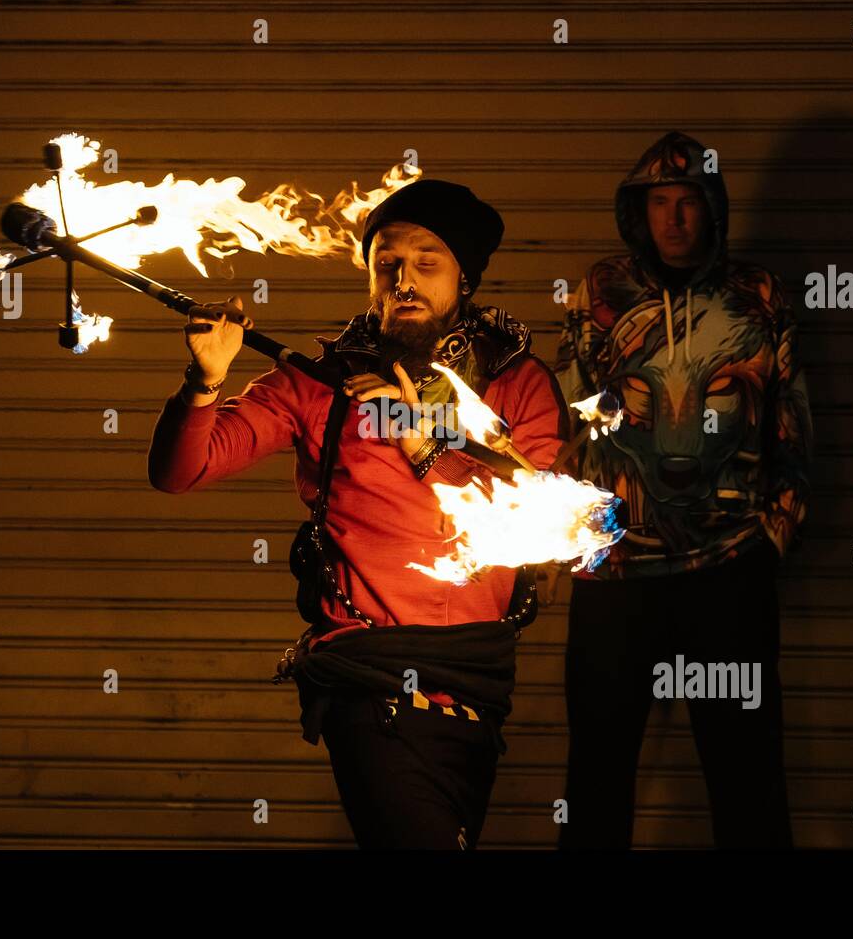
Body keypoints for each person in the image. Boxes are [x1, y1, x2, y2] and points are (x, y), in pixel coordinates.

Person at [148, 178, 568, 849]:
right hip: (369, 682)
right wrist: (203, 383)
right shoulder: (320, 383)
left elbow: (546, 521)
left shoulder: (517, 385)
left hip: (475, 681)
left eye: (426, 262)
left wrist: (424, 436)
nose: (403, 279)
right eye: (387, 263)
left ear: (466, 277)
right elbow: (180, 471)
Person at [552, 131, 813, 849]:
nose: (674, 219)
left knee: (747, 773)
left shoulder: (757, 297)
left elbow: (792, 423)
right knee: (597, 776)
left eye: (688, 202)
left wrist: (771, 535)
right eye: (659, 203)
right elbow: (562, 421)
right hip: (615, 575)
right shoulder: (599, 294)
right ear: (639, 211)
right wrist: (574, 534)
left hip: (727, 571)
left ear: (713, 208)